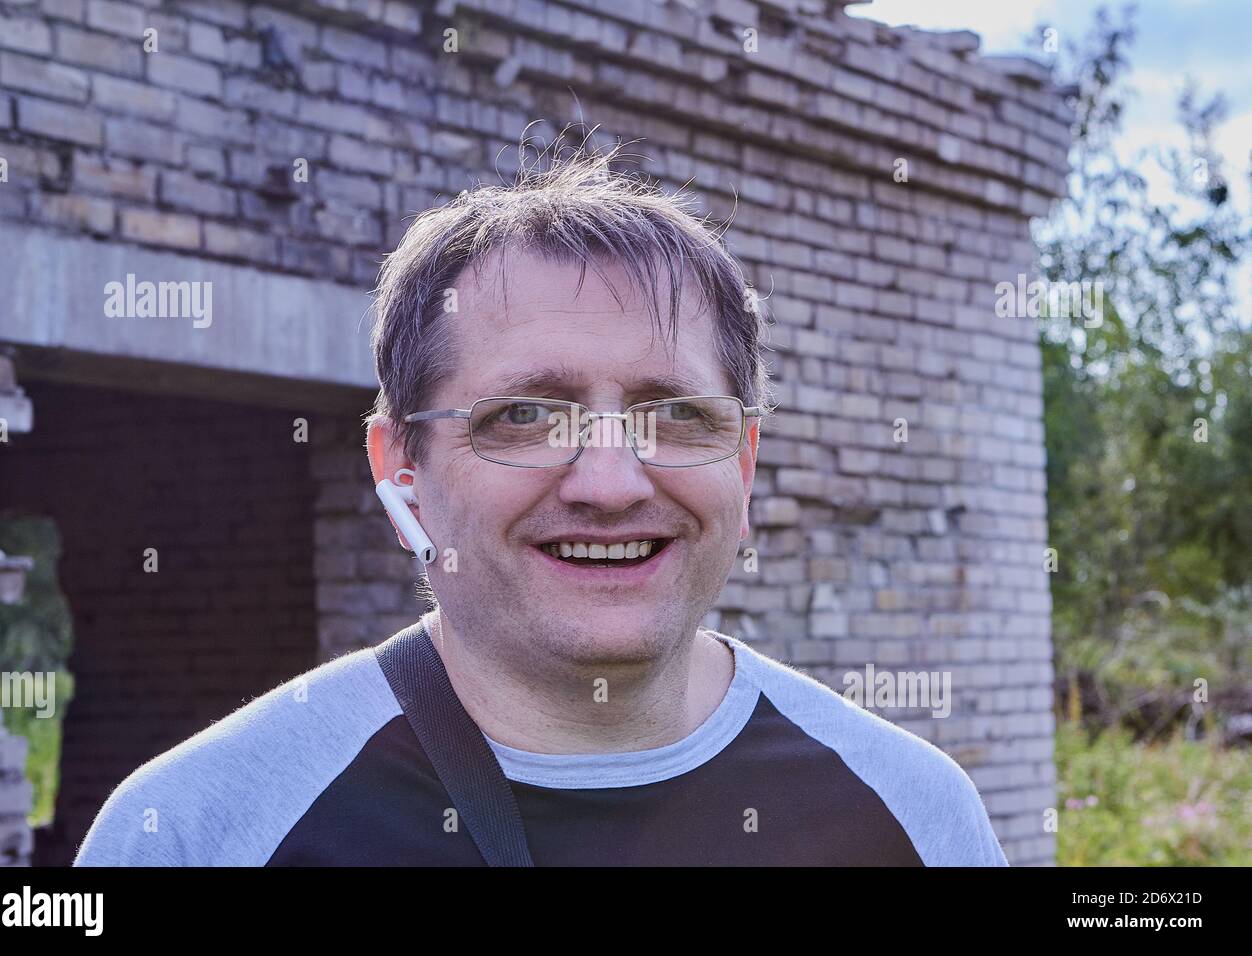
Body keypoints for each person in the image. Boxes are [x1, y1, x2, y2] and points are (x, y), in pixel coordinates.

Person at [75, 137, 1008, 866]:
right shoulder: (200, 831)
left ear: (746, 460)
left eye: (675, 414)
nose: (609, 483)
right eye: (524, 416)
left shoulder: (916, 817)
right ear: (401, 463)